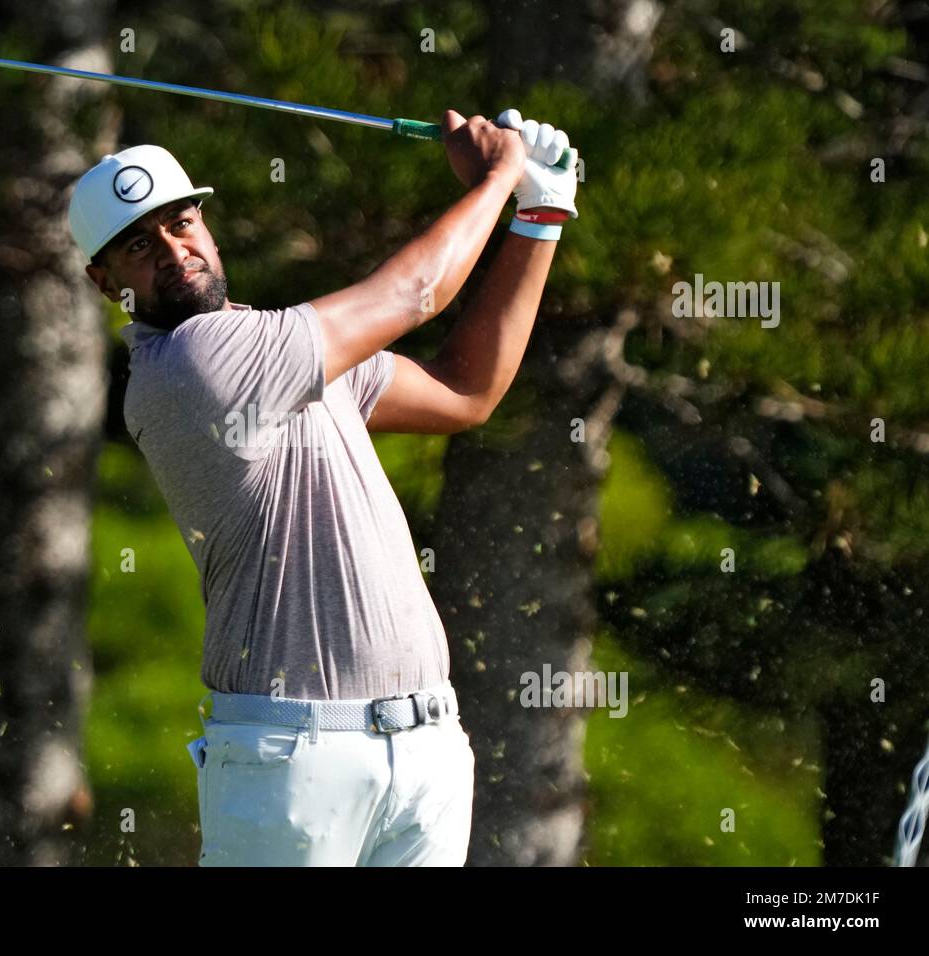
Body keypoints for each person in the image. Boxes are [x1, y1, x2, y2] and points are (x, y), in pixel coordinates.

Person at [67, 108, 580, 865]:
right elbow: (414, 296)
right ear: (103, 280)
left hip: (426, 746)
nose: (173, 252)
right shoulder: (190, 364)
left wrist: (540, 216)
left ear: (206, 223)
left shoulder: (285, 347)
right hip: (292, 758)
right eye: (138, 246)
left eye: (180, 224)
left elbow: (464, 390)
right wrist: (502, 176)